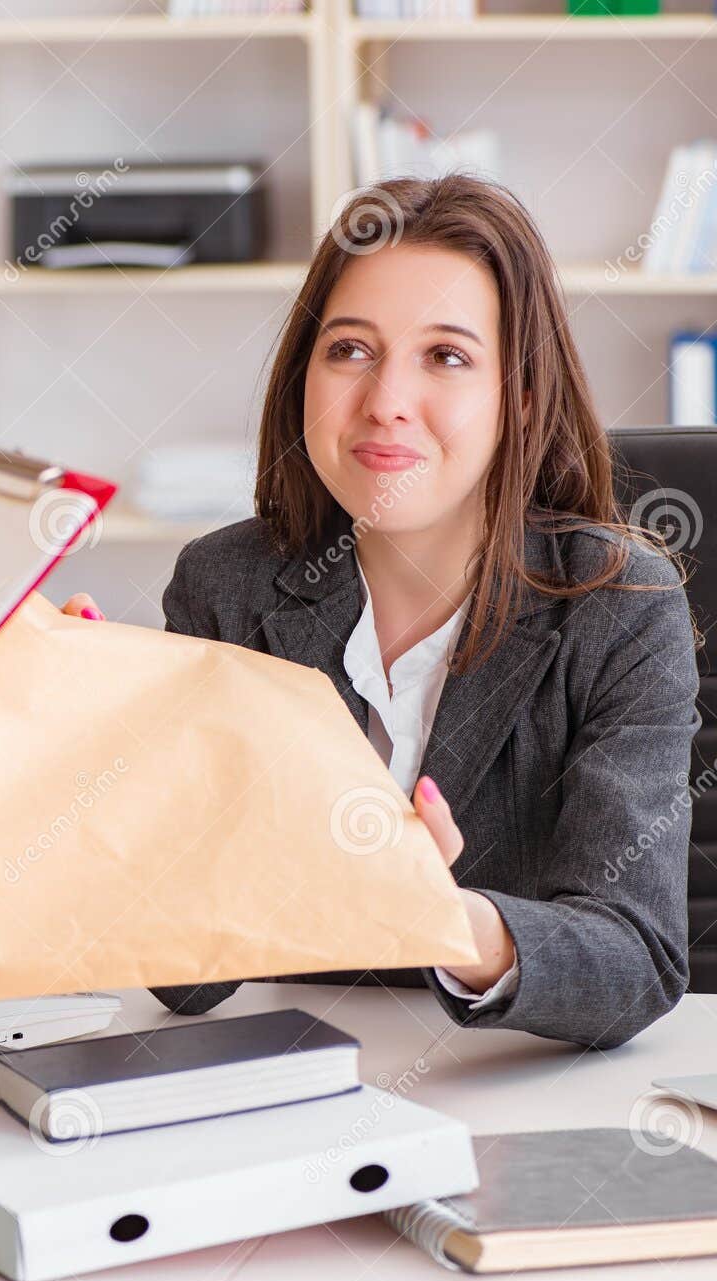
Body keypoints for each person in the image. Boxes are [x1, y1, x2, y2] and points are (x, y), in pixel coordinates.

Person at [71, 174, 698, 1052]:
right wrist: (115, 775)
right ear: (305, 376)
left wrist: (441, 918)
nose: (385, 401)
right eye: (351, 350)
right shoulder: (225, 586)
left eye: (445, 357)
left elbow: (637, 958)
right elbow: (184, 980)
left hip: (509, 1090)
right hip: (283, 1086)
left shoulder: (617, 608)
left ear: (520, 399)